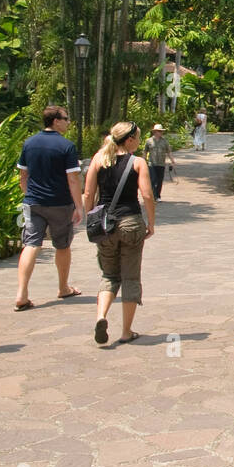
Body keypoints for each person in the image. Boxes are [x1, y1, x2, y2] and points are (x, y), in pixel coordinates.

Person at [84, 121, 155, 345]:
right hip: (130, 222)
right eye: (138, 137)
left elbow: (88, 193)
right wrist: (151, 222)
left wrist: (91, 219)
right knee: (130, 277)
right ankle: (126, 331)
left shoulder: (99, 159)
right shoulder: (138, 163)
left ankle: (101, 316)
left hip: (106, 225)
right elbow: (147, 195)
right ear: (130, 139)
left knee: (109, 275)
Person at [14, 105, 84, 311]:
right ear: (55, 121)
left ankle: (21, 293)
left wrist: (29, 194)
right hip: (60, 203)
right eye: (65, 118)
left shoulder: (29, 143)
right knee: (62, 245)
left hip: (33, 202)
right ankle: (63, 287)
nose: (68, 122)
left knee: (31, 244)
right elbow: (73, 179)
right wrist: (79, 206)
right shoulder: (66, 146)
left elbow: (22, 176)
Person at [144, 124, 175, 201]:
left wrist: (172, 161)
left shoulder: (165, 141)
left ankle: (158, 195)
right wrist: (144, 160)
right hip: (151, 163)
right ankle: (153, 195)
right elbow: (145, 151)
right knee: (153, 179)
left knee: (159, 180)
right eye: (158, 131)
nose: (160, 133)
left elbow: (169, 151)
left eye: (161, 131)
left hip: (161, 164)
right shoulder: (149, 141)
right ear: (154, 132)